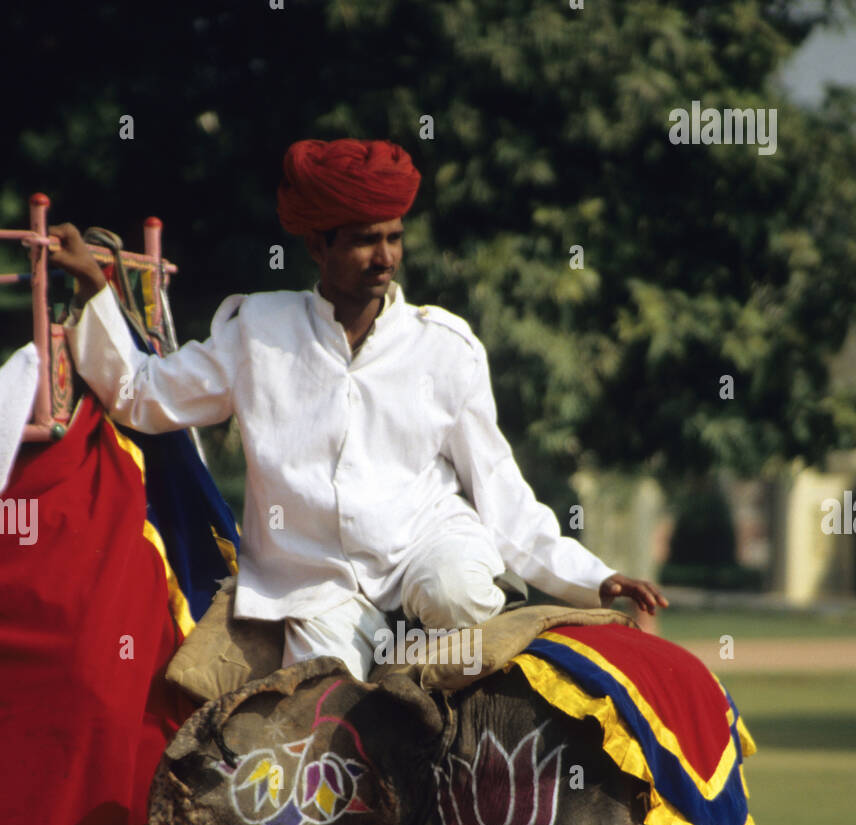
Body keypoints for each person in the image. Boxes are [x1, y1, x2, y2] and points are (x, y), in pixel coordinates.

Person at [52, 138, 667, 681]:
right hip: (314, 585)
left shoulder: (443, 345)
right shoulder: (258, 332)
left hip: (430, 550)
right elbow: (143, 395)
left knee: (455, 594)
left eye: (395, 237)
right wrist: (94, 292)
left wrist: (593, 579)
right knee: (323, 706)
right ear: (318, 245)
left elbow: (502, 495)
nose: (386, 257)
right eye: (366, 240)